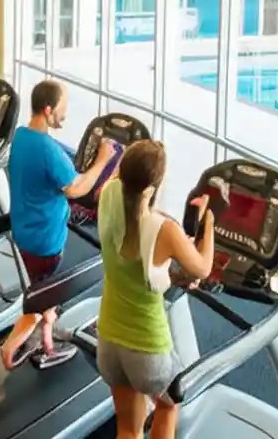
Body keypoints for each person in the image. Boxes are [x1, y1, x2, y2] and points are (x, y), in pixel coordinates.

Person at [0, 80, 118, 404]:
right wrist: (103, 158)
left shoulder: (23, 137)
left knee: (45, 294)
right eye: (63, 106)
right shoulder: (47, 150)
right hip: (44, 242)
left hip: (25, 233)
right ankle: (0, 360)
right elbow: (77, 189)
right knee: (38, 304)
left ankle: (47, 342)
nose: (66, 112)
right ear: (48, 109)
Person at [96, 140, 216, 439]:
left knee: (127, 428)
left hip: (109, 342)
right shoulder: (165, 229)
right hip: (147, 351)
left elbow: (123, 193)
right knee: (167, 405)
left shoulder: (108, 195)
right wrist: (210, 223)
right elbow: (202, 268)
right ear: (156, 185)